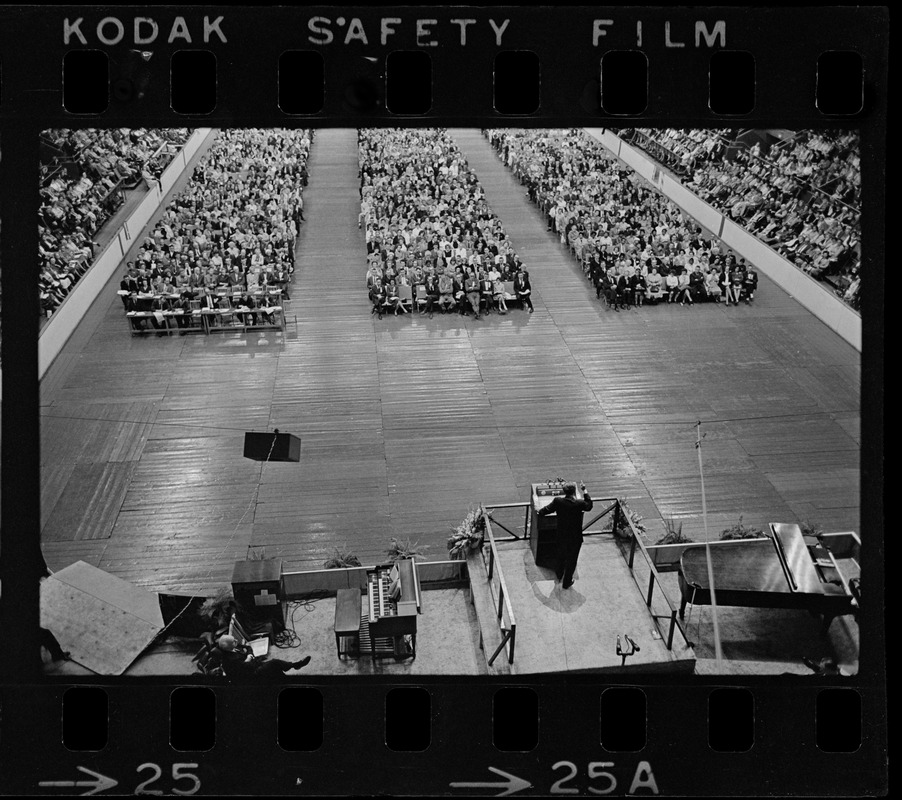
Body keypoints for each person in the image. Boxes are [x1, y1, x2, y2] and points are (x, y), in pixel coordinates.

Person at [537, 482, 593, 589]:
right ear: (573, 492)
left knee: (560, 556)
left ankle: (559, 574)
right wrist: (584, 490)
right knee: (572, 560)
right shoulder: (579, 503)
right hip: (575, 538)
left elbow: (546, 510)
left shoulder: (558, 501)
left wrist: (539, 511)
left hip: (561, 535)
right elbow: (589, 505)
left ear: (564, 492)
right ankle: (567, 582)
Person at [216, 635, 311, 680]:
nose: (236, 640)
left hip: (253, 665)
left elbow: (248, 647)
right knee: (274, 663)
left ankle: (289, 676)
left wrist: (249, 656)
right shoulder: (230, 660)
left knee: (275, 669)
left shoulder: (234, 647)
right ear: (227, 647)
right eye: (233, 641)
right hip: (251, 676)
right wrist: (249, 659)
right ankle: (295, 665)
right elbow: (247, 668)